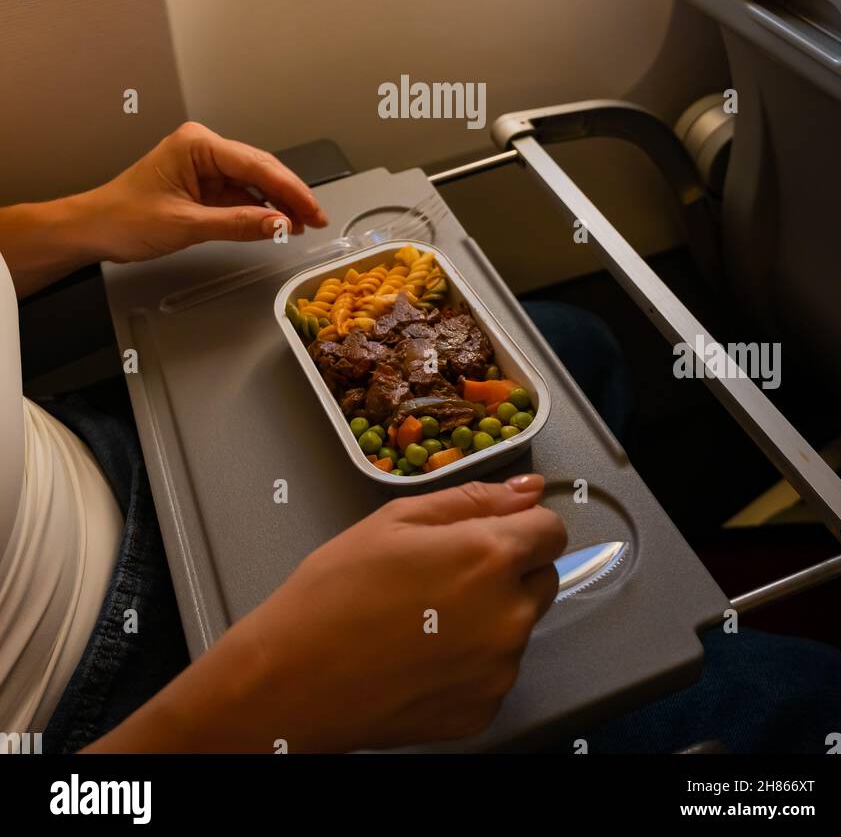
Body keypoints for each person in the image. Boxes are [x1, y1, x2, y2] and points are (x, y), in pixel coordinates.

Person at [0, 121, 568, 753]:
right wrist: (265, 701)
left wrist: (90, 217)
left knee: (576, 343)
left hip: (97, 445)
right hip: (127, 702)